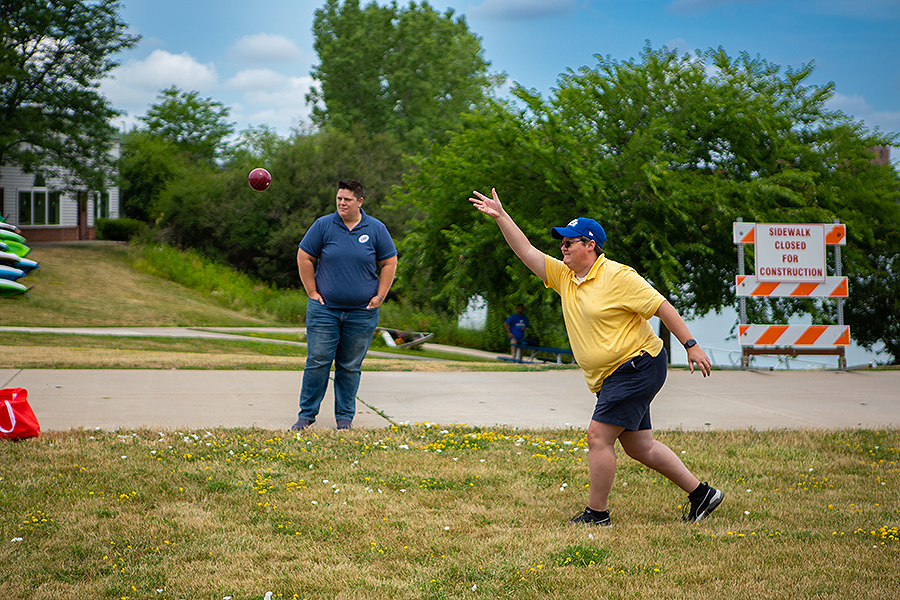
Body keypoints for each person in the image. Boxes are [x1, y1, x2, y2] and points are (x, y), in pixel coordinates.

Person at [469, 188, 724, 526]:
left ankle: (597, 514)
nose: (562, 247)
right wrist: (502, 217)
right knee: (640, 446)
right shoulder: (564, 276)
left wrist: (691, 344)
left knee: (598, 436)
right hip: (613, 374)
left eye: (569, 242)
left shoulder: (618, 276)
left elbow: (661, 306)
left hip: (637, 365)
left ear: (590, 245)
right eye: (561, 243)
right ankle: (703, 494)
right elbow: (526, 250)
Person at [292, 179, 397, 431]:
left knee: (349, 366)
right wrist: (311, 291)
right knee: (318, 361)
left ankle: (344, 419)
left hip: (362, 312)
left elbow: (389, 262)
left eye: (347, 199)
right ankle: (306, 416)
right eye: (339, 198)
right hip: (324, 310)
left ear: (360, 201)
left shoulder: (376, 228)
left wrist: (380, 296)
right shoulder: (323, 225)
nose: (342, 203)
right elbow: (304, 256)